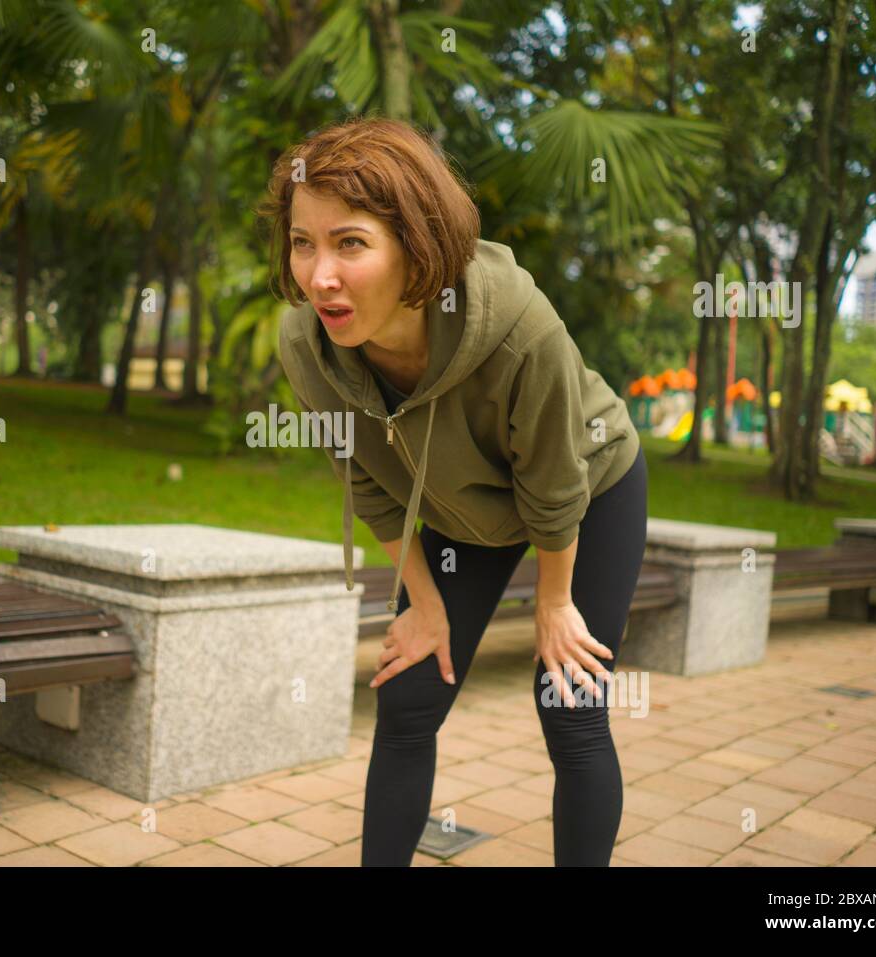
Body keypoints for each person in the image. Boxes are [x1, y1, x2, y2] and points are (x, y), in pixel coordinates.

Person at [261, 116, 648, 867]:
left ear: (417, 244)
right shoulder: (306, 346)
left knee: (569, 704)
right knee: (407, 698)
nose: (320, 276)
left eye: (350, 243)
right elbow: (366, 480)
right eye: (303, 242)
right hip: (461, 511)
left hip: (588, 486)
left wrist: (554, 600)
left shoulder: (519, 330)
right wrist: (423, 600)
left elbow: (554, 479)